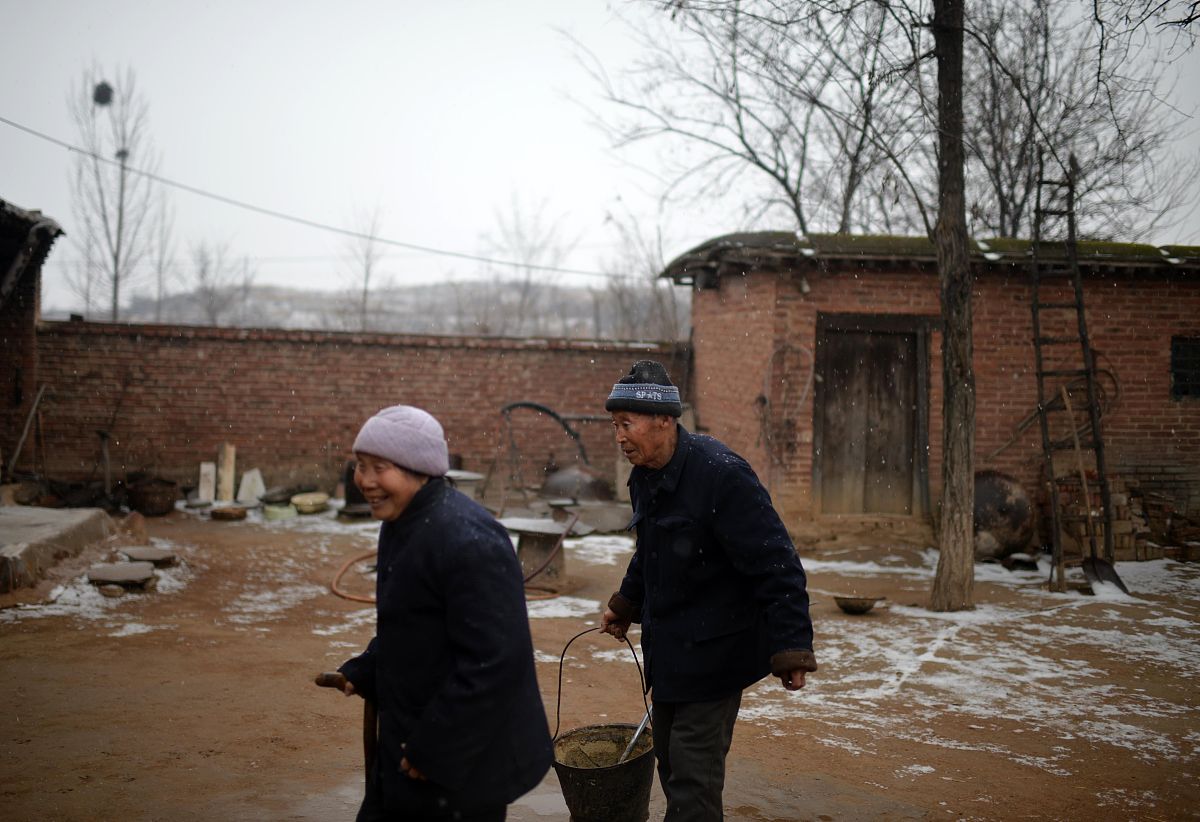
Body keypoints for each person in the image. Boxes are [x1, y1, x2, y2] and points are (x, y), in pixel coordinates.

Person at [599, 361, 817, 822]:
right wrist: (626, 603)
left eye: (626, 424)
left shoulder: (721, 475)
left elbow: (775, 562)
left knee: (693, 781)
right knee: (671, 762)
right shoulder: (644, 477)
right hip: (670, 651)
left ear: (664, 420)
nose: (619, 436)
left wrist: (792, 647)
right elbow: (652, 550)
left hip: (716, 651)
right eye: (615, 425)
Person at [335, 405, 552, 821]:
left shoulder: (467, 540)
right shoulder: (403, 521)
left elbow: (494, 662)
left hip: (463, 761)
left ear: (419, 469)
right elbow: (419, 622)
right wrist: (371, 666)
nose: (364, 481)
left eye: (379, 467)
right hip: (410, 738)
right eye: (360, 466)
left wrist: (435, 746)